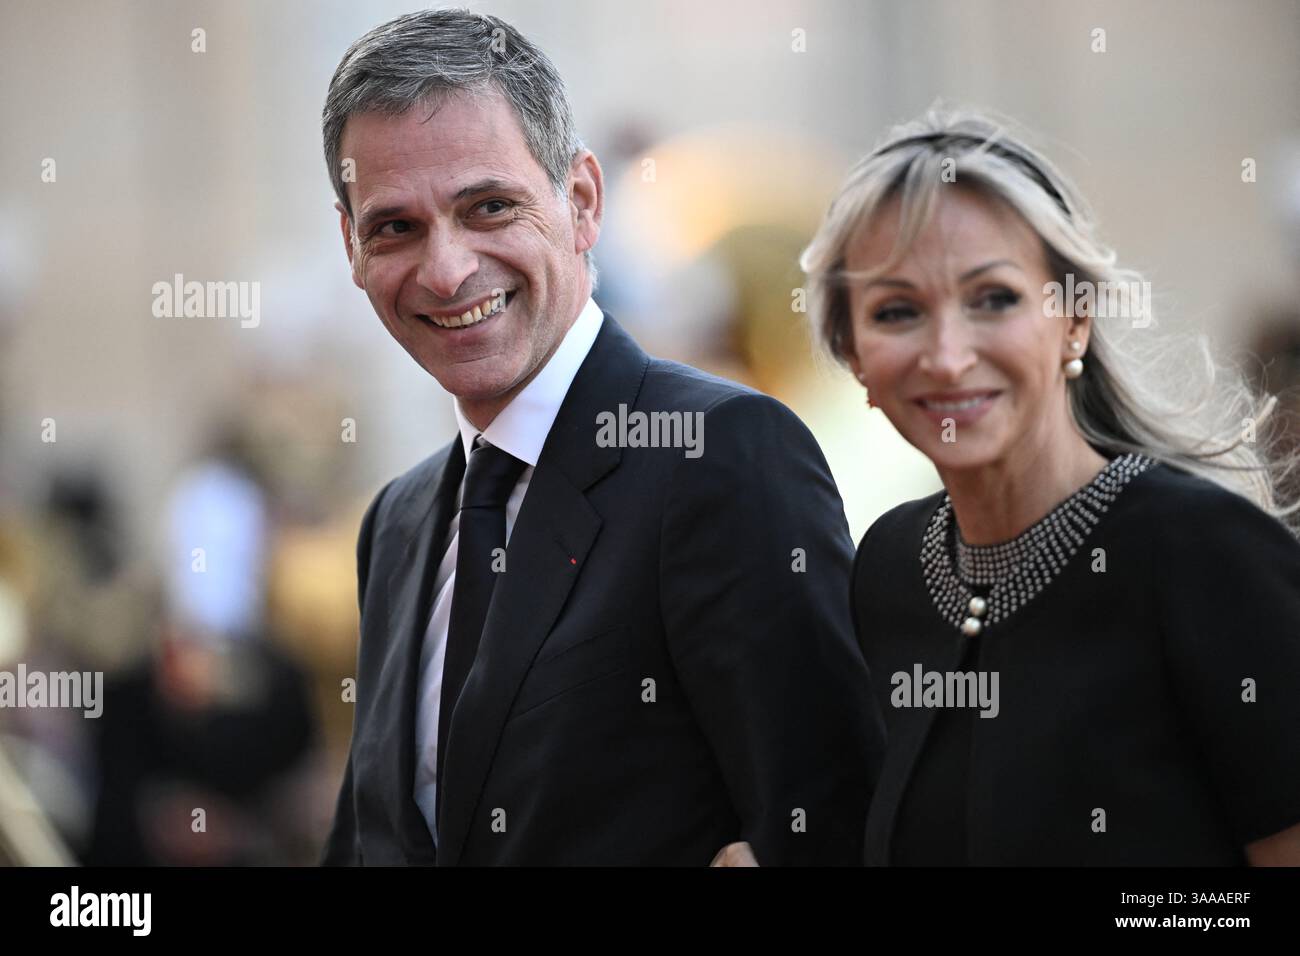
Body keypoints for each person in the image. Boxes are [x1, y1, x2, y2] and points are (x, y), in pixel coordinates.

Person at [319, 9, 883, 866]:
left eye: (489, 207)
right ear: (351, 248)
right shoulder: (395, 525)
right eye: (395, 227)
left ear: (581, 202)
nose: (446, 269)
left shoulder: (721, 455)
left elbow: (834, 824)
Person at [800, 108, 1300, 865]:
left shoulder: (1204, 554)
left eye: (993, 298)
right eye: (897, 312)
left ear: (1074, 319)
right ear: (854, 355)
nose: (947, 355)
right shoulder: (889, 566)